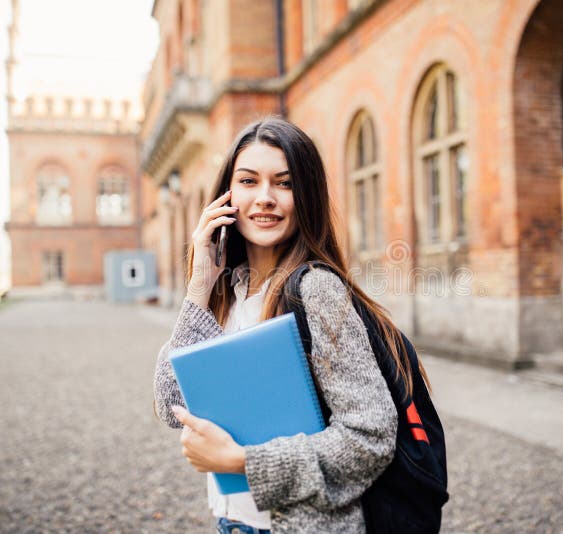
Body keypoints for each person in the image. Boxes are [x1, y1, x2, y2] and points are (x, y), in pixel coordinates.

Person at [153, 117, 419, 533]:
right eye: (248, 181)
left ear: (306, 195)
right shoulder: (227, 291)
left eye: (284, 183)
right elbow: (172, 405)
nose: (265, 198)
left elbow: (369, 436)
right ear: (226, 196)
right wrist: (199, 285)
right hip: (232, 523)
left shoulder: (315, 291)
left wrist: (242, 462)